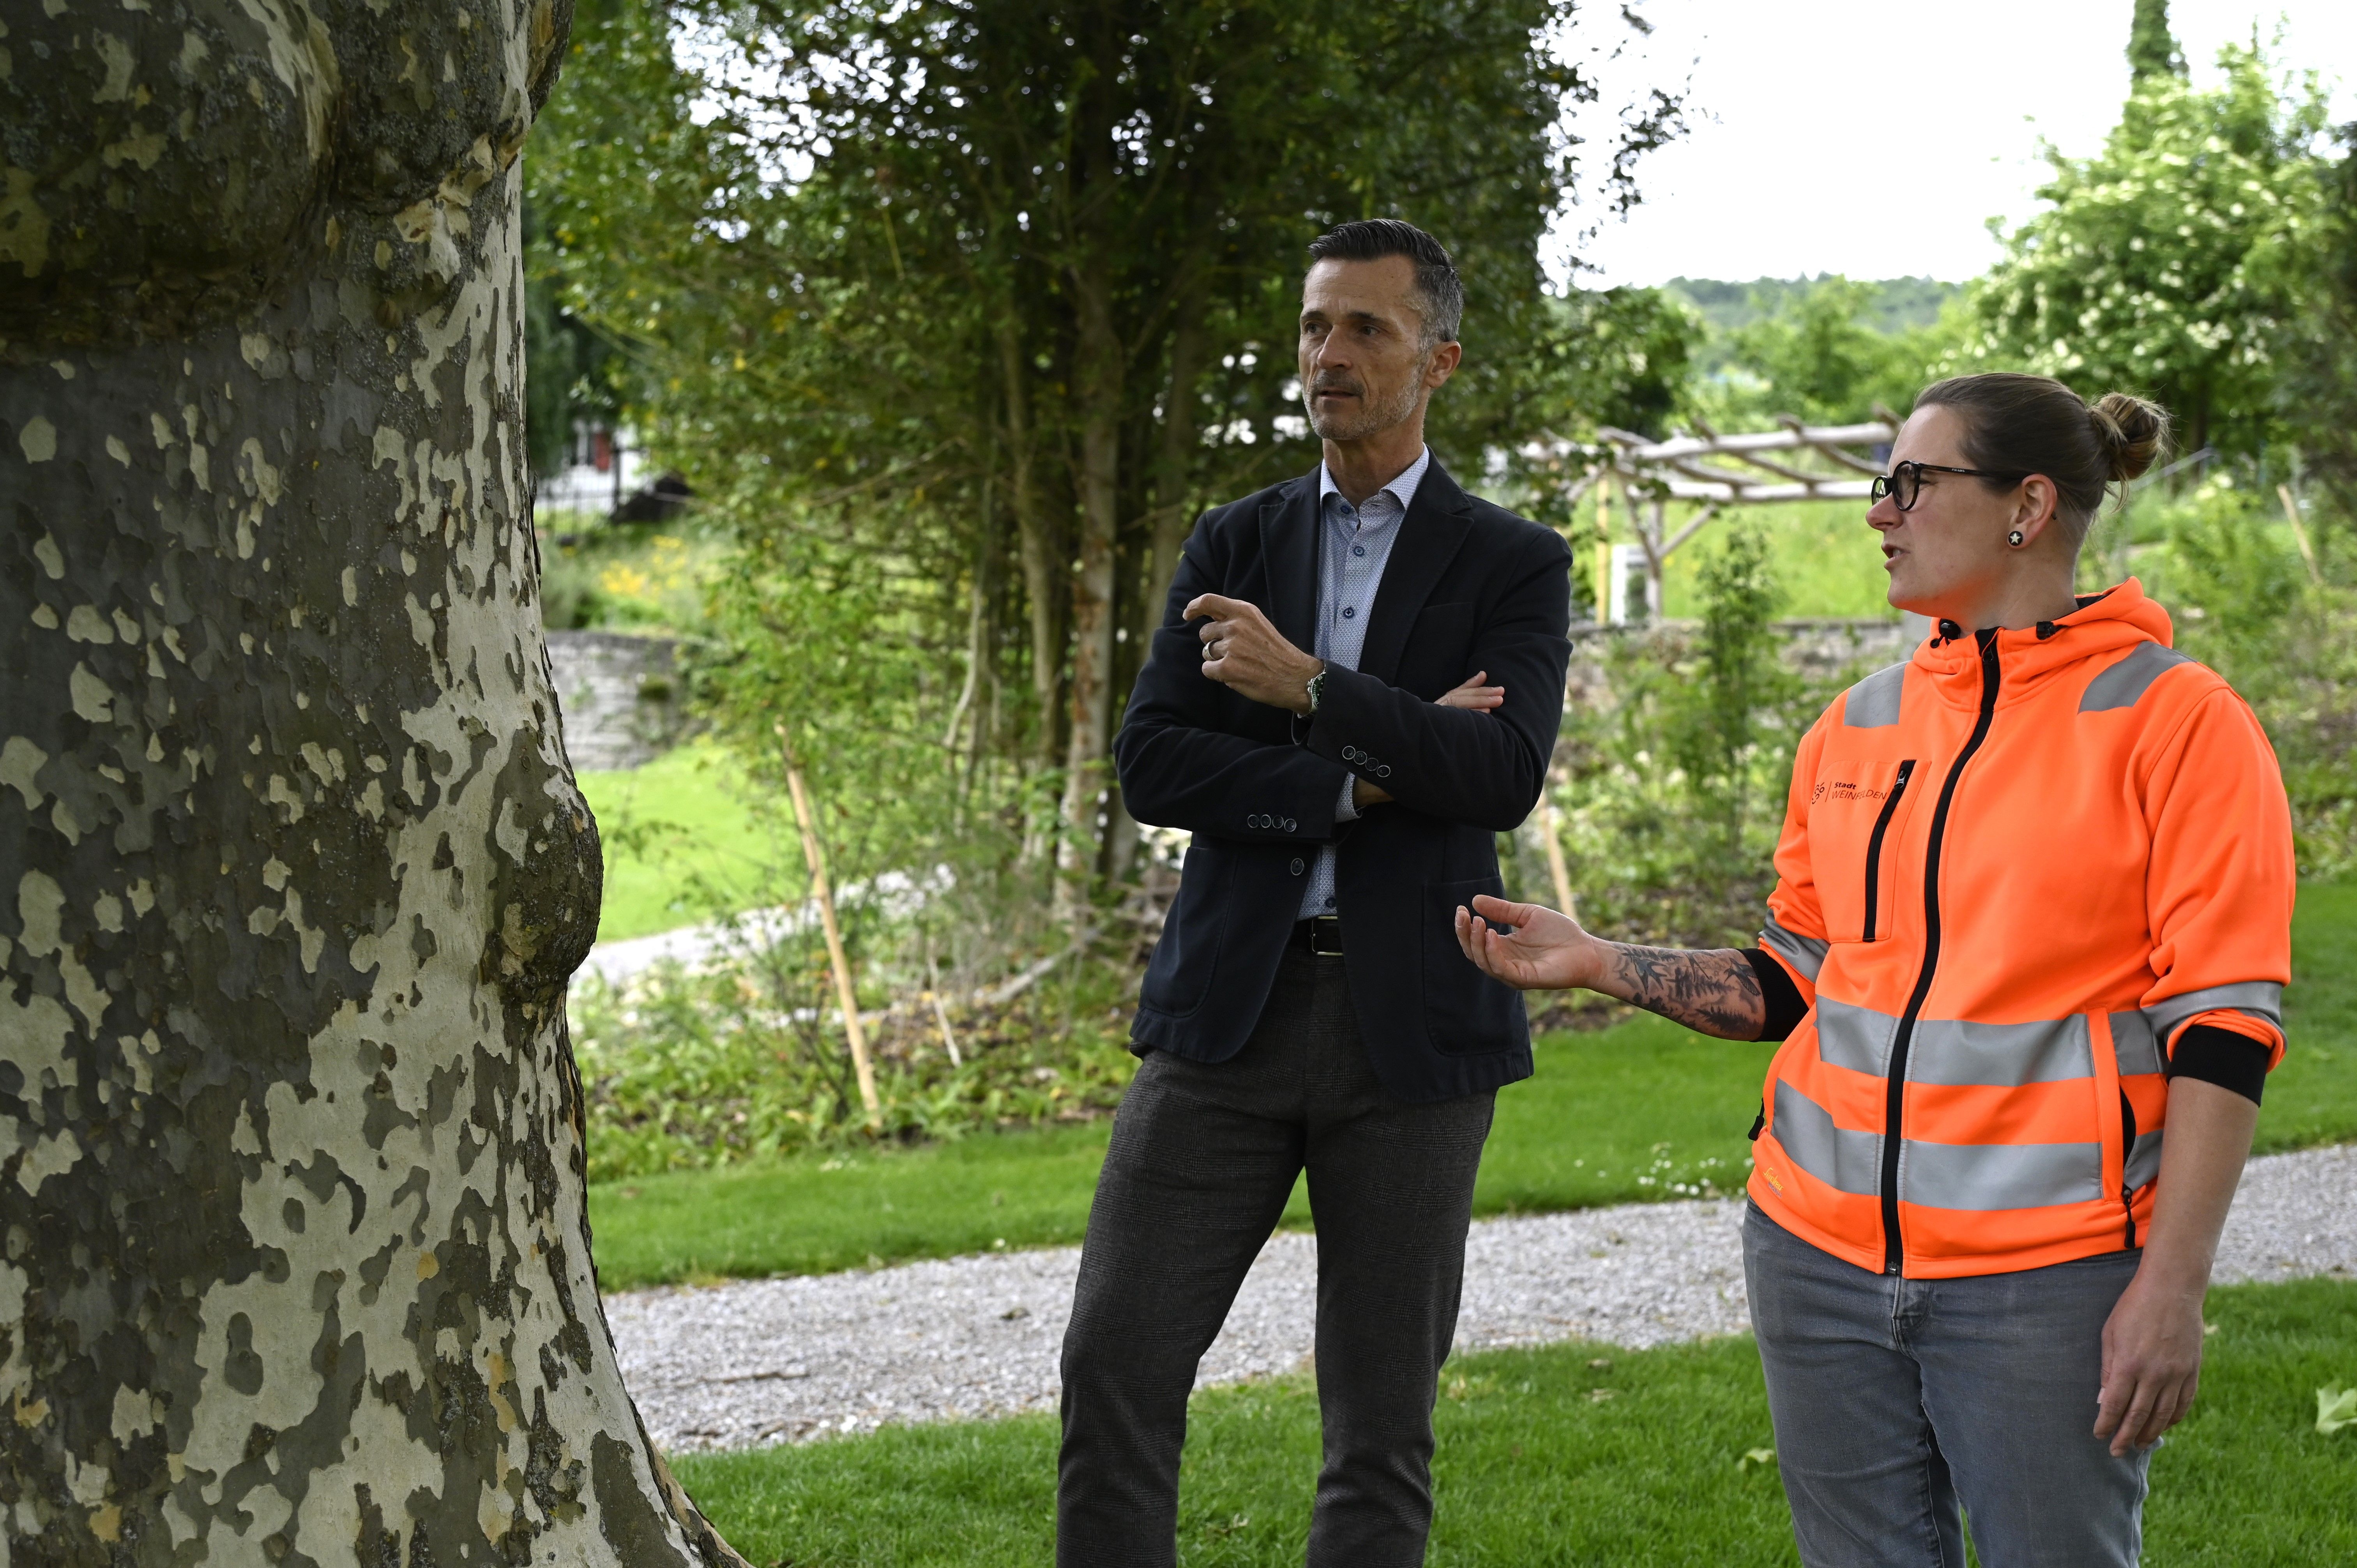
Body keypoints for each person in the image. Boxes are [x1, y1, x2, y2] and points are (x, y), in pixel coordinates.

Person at [1453, 372, 2294, 1568]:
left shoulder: (2179, 723)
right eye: (1878, 484)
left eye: (1910, 483)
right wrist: (1601, 962)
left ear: (2028, 505)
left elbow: (2225, 1023)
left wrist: (2173, 1290)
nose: (1877, 513)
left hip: (2046, 1287)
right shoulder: (1854, 726)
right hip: (1815, 1261)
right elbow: (1792, 976)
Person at [1055, 219, 1572, 1566]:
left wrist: (1308, 692)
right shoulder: (1237, 540)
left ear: (1438, 361)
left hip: (1416, 1033)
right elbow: (1156, 762)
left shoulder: (1514, 561)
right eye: (1313, 327)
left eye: (1367, 330)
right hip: (1225, 1015)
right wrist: (1372, 770)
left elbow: (1503, 769)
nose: (1328, 356)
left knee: (1381, 1425)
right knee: (1114, 1366)